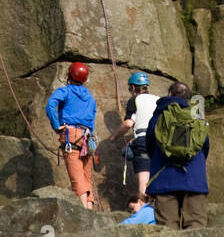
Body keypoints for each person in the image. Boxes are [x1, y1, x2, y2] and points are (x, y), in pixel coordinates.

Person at [145, 81, 210, 229]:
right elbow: (205, 145)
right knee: (196, 226)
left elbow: (149, 144)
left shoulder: (159, 116)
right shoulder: (197, 117)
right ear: (188, 97)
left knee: (167, 228)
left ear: (169, 94)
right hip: (194, 179)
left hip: (164, 178)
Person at [45, 62, 98, 209]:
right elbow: (92, 117)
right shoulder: (90, 97)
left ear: (69, 76)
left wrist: (56, 125)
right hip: (88, 137)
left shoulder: (66, 91)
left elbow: (50, 104)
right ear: (85, 79)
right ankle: (89, 208)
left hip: (71, 135)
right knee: (87, 176)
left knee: (76, 177)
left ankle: (83, 212)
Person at [109, 72, 158, 210]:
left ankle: (144, 209)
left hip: (142, 141)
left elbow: (129, 123)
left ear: (132, 87)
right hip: (159, 142)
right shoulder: (158, 99)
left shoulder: (135, 100)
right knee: (157, 175)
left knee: (144, 179)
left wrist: (114, 137)